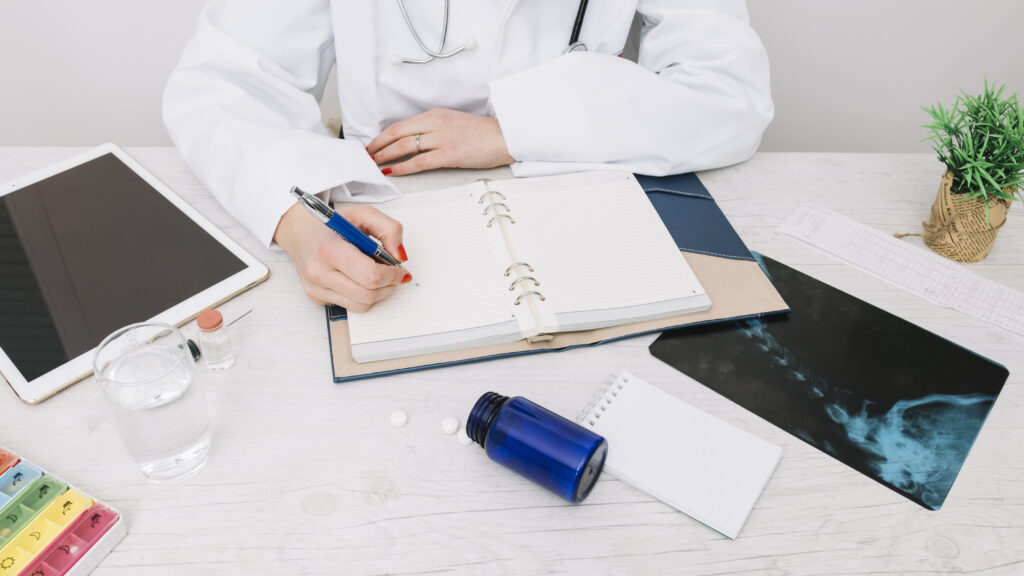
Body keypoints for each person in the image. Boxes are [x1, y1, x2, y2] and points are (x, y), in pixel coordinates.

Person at [163, 1, 773, 312]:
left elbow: (730, 95)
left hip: (579, 192)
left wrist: (512, 129)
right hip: (387, 198)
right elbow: (222, 85)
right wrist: (299, 222)